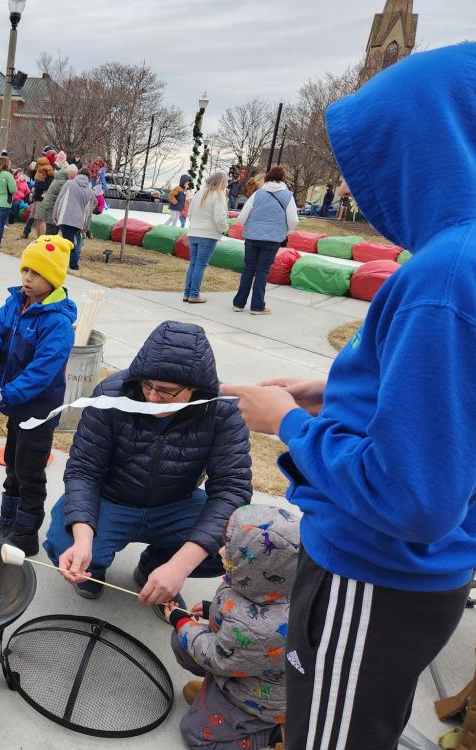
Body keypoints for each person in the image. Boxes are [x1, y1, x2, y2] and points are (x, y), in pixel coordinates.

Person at [222, 43, 476, 749]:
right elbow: (454, 414)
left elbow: (413, 498)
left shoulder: (447, 275)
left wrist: (290, 426)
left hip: (375, 577)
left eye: (382, 159)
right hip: (421, 584)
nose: (366, 188)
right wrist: (333, 391)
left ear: (429, 148)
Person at [45, 321, 251, 603]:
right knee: (63, 543)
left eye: (166, 391)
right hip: (112, 499)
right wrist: (83, 541)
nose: (152, 398)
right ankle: (94, 567)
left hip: (176, 504)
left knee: (240, 545)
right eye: (147, 386)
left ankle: (156, 567)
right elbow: (84, 470)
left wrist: (180, 566)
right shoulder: (111, 395)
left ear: (196, 388)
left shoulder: (222, 410)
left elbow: (232, 490)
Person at [0, 235, 77, 554]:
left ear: (53, 278)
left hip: (38, 410)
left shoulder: (57, 323)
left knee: (30, 470)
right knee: (13, 462)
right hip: (16, 405)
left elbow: (42, 372)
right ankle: (8, 518)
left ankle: (26, 534)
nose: (27, 278)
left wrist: (3, 395)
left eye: (37, 273)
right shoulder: (15, 304)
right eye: (25, 269)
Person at [167, 505, 297, 750]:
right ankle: (214, 696)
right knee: (182, 642)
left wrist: (182, 622)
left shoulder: (260, 628)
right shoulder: (261, 585)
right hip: (244, 666)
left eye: (233, 549)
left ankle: (272, 733)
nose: (221, 550)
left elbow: (218, 658)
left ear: (260, 566)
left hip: (257, 696)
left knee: (196, 734)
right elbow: (236, 613)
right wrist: (211, 610)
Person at [231, 165, 298, 315]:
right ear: (283, 179)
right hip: (272, 239)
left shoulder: (257, 194)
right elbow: (293, 220)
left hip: (251, 236)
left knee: (248, 269)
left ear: (267, 177)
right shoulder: (288, 196)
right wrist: (284, 231)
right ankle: (257, 306)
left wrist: (250, 228)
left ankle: (238, 303)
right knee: (262, 271)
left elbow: (242, 217)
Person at [183, 172, 229, 304]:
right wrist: (224, 229)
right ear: (221, 182)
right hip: (208, 235)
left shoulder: (199, 193)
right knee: (200, 265)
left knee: (193, 264)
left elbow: (190, 213)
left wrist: (195, 227)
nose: (227, 184)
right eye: (226, 181)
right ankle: (194, 294)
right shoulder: (218, 195)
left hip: (194, 233)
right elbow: (219, 218)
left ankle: (187, 293)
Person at [53, 166, 95, 271]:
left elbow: (60, 200)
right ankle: (67, 262)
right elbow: (88, 211)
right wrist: (86, 226)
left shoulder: (69, 184)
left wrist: (55, 215)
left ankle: (74, 264)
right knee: (70, 241)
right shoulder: (90, 192)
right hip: (78, 221)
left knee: (69, 243)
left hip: (66, 218)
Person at [29, 147, 57, 238]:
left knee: (41, 219)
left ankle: (42, 240)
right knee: (37, 219)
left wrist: (38, 184)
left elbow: (50, 184)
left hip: (43, 198)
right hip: (37, 196)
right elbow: (35, 179)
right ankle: (38, 239)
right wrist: (33, 172)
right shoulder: (41, 167)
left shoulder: (52, 168)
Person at [39, 163, 70, 236]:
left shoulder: (59, 178)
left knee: (52, 230)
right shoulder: (62, 182)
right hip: (51, 208)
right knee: (51, 232)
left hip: (49, 207)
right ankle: (45, 246)